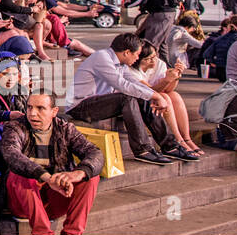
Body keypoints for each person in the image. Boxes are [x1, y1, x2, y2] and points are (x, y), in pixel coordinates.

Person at [64, 32, 192, 164]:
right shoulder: (101, 58)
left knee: (141, 96)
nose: (137, 58)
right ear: (126, 52)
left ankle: (169, 146)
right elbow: (122, 85)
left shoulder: (121, 64)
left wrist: (156, 96)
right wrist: (155, 95)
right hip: (79, 106)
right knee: (127, 97)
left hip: (99, 103)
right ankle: (143, 150)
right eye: (137, 54)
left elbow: (135, 83)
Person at [0, 91, 104, 235]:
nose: (33, 114)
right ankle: (43, 234)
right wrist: (46, 177)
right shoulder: (15, 127)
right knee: (20, 174)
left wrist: (77, 173)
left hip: (55, 197)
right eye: (29, 107)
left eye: (40, 108)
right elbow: (12, 155)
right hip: (23, 201)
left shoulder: (65, 129)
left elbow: (95, 153)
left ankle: (72, 234)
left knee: (90, 176)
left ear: (54, 111)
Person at [127, 41, 203, 157]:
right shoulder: (130, 71)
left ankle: (186, 138)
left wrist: (175, 77)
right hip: (141, 101)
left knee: (174, 95)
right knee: (164, 97)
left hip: (157, 98)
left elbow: (168, 89)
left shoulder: (159, 64)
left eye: (154, 56)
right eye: (148, 58)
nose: (153, 61)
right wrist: (167, 80)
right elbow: (148, 92)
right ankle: (178, 140)